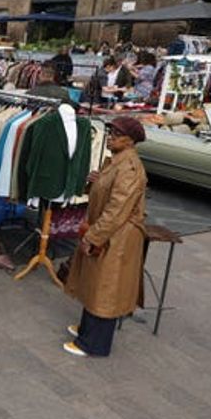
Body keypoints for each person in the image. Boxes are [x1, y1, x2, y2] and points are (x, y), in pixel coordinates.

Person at [63, 116, 148, 357]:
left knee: (106, 288)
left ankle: (93, 344)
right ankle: (88, 330)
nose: (110, 136)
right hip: (110, 232)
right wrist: (96, 183)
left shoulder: (129, 167)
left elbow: (117, 209)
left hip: (117, 236)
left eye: (115, 133)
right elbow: (109, 195)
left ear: (130, 141)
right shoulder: (118, 161)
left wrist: (93, 236)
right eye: (110, 131)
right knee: (96, 283)